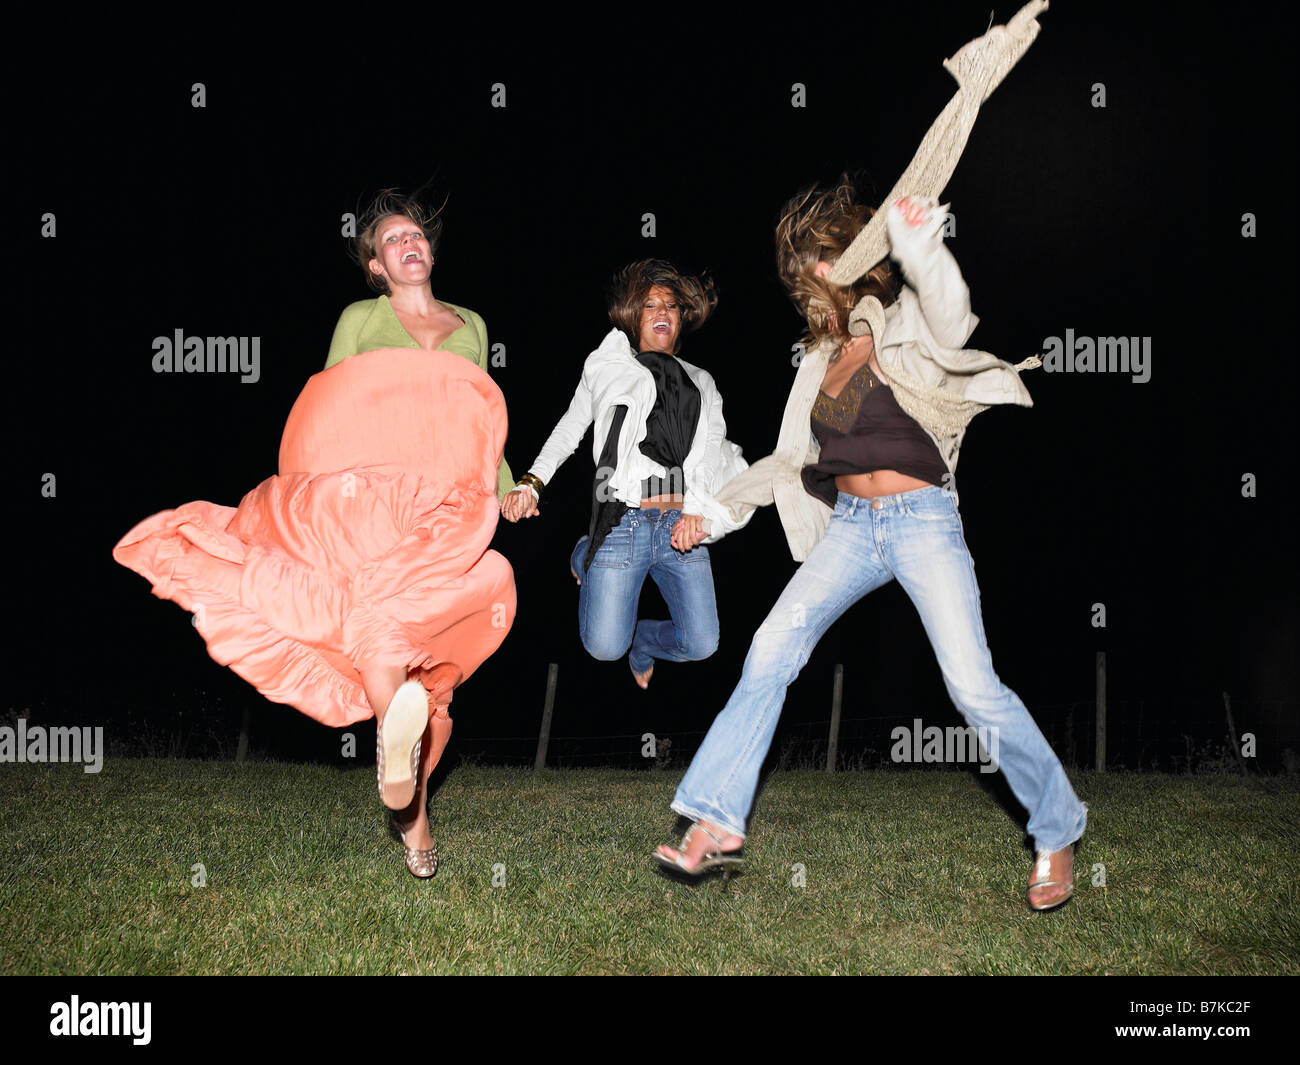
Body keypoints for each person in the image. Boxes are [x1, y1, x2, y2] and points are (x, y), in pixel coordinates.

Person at [655, 4, 1082, 911]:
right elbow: (778, 463)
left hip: (923, 520)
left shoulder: (898, 325)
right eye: (805, 270)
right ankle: (717, 816)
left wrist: (925, 252)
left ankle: (1055, 825)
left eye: (827, 262)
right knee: (771, 646)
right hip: (851, 528)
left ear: (858, 266)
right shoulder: (814, 364)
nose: (817, 279)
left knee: (972, 687)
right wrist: (715, 514)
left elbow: (957, 325)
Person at [113, 191, 515, 879]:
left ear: (431, 249)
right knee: (377, 614)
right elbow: (328, 402)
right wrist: (306, 495)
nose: (407, 244)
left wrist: (507, 486)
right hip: (366, 495)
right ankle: (412, 812)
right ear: (375, 266)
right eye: (391, 240)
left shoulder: (472, 324)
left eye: (415, 234)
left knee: (427, 646)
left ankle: (405, 779)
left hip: (446, 500)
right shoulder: (362, 318)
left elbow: (477, 417)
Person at [501, 259, 750, 688]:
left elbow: (709, 452)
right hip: (622, 520)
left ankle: (646, 642)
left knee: (702, 643)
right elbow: (569, 429)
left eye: (671, 306)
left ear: (681, 318)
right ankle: (587, 552)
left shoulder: (701, 381)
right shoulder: (606, 369)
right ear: (634, 315)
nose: (661, 313)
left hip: (679, 523)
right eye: (651, 304)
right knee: (603, 647)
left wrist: (697, 510)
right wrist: (531, 483)